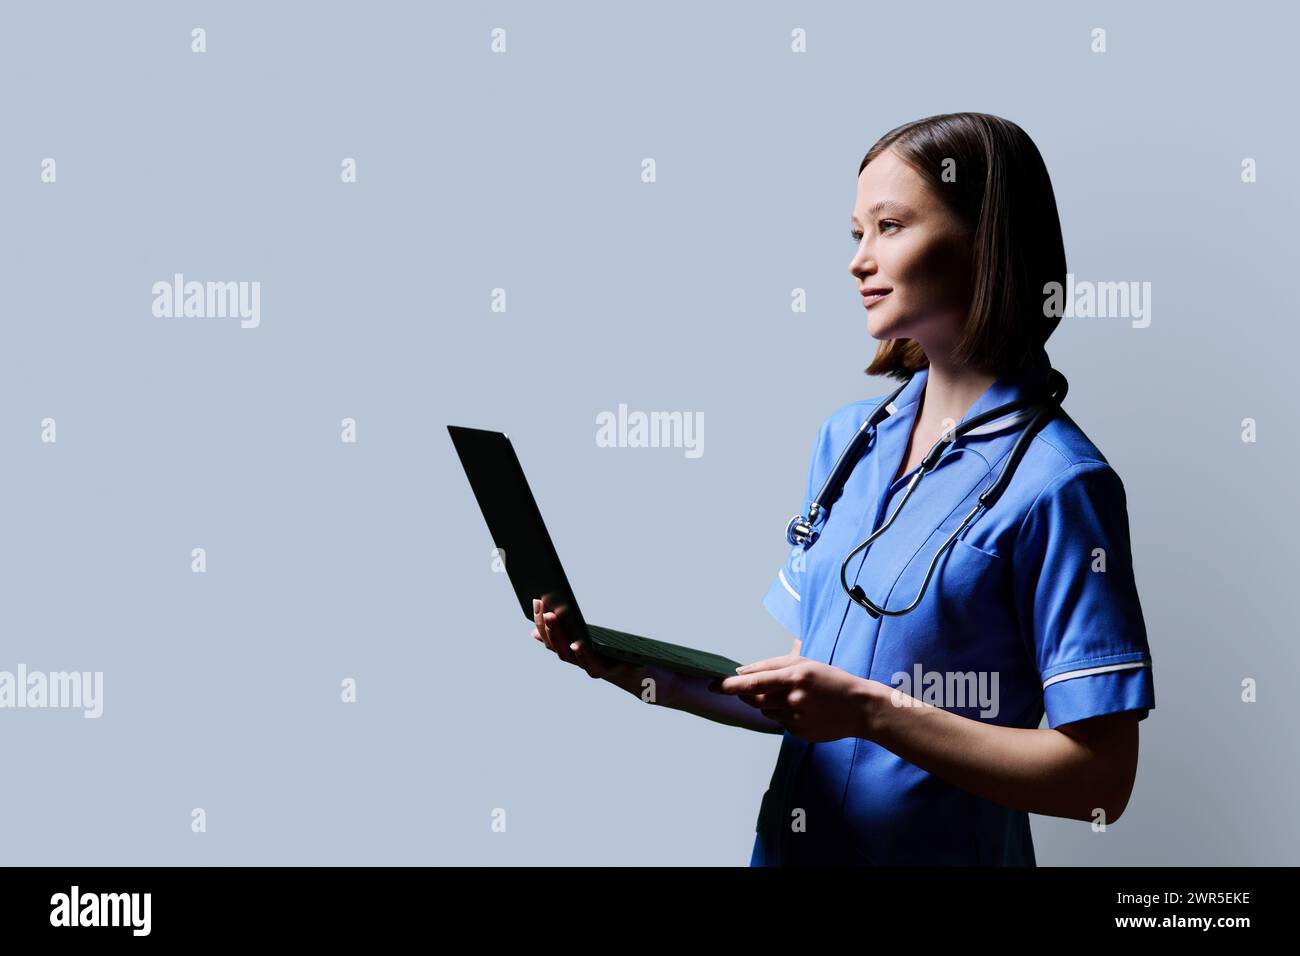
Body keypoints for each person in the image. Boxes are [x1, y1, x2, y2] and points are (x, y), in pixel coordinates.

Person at [532, 112, 1155, 866]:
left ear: (985, 242)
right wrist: (627, 670)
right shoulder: (849, 441)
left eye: (889, 226)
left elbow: (1100, 781)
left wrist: (873, 712)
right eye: (856, 233)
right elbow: (800, 700)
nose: (860, 261)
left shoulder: (1061, 484)